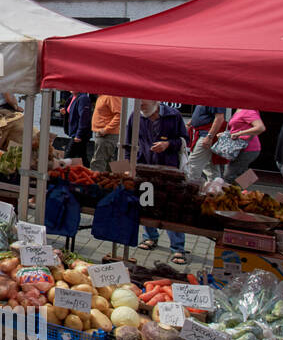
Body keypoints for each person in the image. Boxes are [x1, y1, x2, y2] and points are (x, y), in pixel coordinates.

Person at [135, 101, 190, 264]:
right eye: (139, 104)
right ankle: (150, 237)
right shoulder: (135, 117)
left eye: (143, 103)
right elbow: (127, 143)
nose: (141, 106)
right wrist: (126, 168)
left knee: (171, 208)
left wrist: (168, 144)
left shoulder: (174, 115)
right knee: (147, 204)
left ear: (154, 101)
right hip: (145, 168)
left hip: (169, 170)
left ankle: (178, 247)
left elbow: (184, 140)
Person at [183, 104, 227, 184]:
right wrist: (189, 124)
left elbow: (219, 118)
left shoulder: (215, 98)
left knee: (193, 164)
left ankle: (190, 188)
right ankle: (214, 190)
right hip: (202, 134)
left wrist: (209, 136)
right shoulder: (205, 98)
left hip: (206, 135)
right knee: (210, 167)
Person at [221, 108, 265, 183]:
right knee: (241, 173)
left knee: (228, 176)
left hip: (248, 148)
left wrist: (239, 134)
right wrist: (225, 135)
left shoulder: (248, 111)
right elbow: (237, 128)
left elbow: (260, 128)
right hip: (239, 148)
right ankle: (243, 192)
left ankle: (235, 192)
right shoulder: (240, 110)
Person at [89, 94, 123, 172]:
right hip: (102, 133)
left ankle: (96, 182)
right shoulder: (102, 96)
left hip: (107, 135)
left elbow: (119, 114)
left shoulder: (112, 95)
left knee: (98, 161)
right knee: (108, 162)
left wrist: (106, 129)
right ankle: (112, 181)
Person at [63, 92, 94, 164]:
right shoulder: (72, 97)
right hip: (75, 132)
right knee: (82, 157)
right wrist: (65, 113)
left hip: (79, 134)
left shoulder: (83, 98)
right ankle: (87, 171)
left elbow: (84, 117)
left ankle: (61, 173)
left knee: (67, 157)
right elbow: (73, 113)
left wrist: (79, 134)